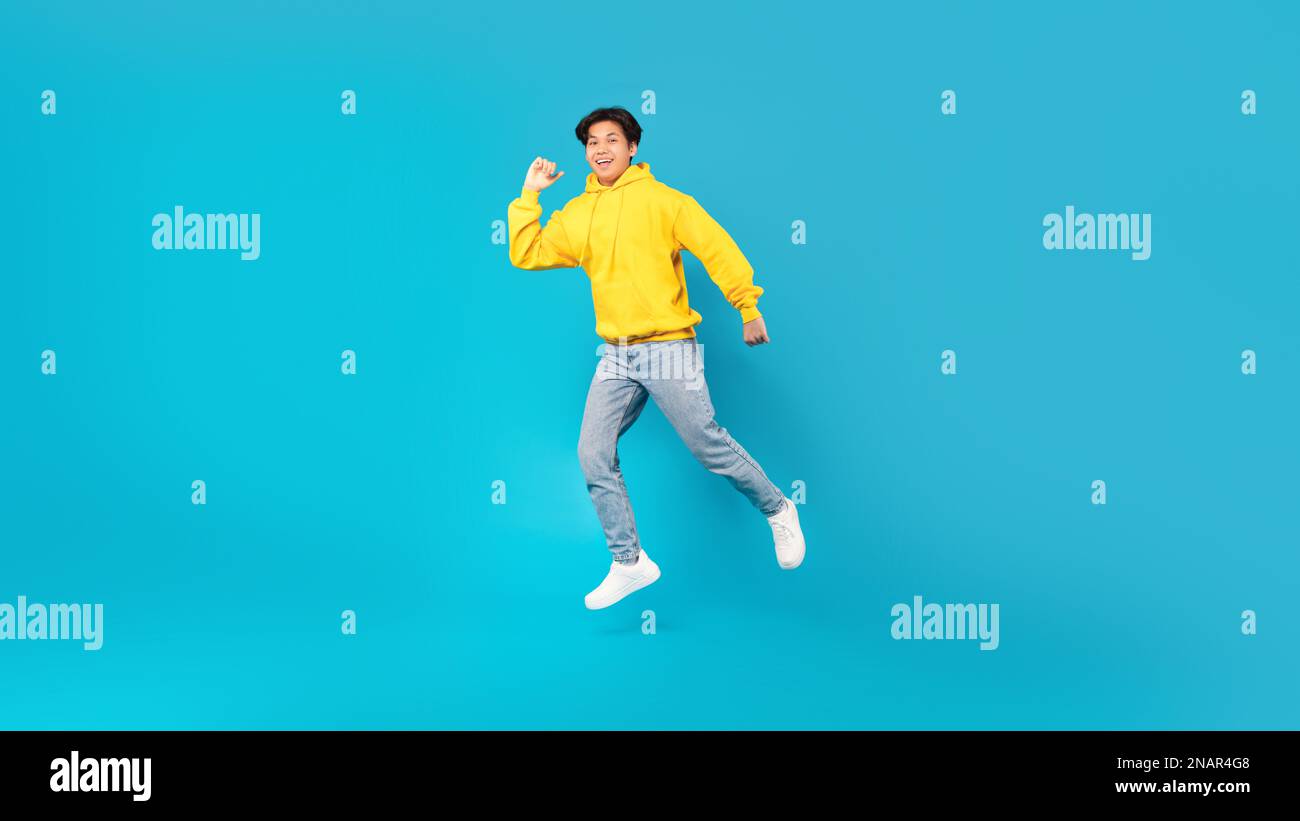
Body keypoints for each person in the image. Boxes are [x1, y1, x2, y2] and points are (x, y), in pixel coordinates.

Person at [507, 106, 806, 610]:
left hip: (667, 345)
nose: (600, 149)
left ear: (632, 147)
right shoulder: (579, 214)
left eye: (611, 140)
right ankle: (629, 561)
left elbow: (716, 247)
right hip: (616, 355)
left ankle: (778, 509)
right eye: (591, 143)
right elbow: (527, 251)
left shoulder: (665, 202)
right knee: (591, 453)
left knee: (706, 444)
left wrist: (747, 306)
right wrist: (530, 194)